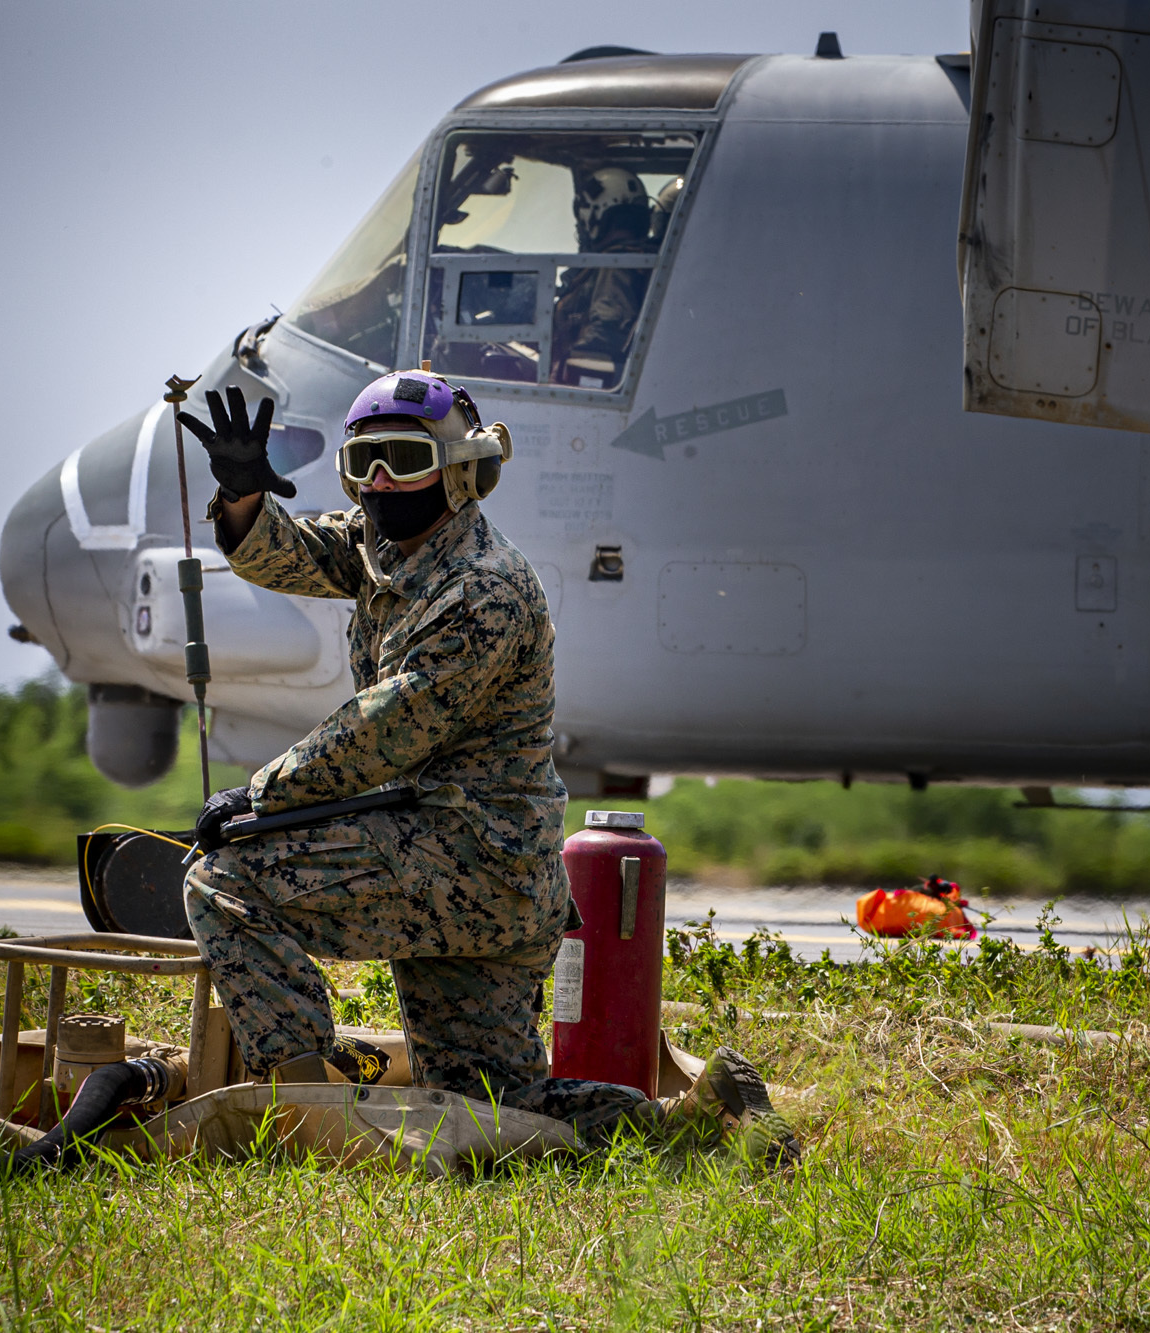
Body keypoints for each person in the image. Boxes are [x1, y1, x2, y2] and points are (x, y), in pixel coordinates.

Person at [174, 370, 796, 1165]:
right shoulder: (387, 548)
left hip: (467, 856)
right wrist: (241, 499)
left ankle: (311, 1122)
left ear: (462, 468)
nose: (380, 482)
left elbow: (383, 731)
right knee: (495, 1107)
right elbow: (290, 555)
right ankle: (710, 1123)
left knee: (227, 878)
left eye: (401, 458)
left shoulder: (486, 590)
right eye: (363, 461)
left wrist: (260, 795)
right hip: (481, 869)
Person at [550, 167, 659, 387]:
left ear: (596, 215)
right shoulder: (635, 262)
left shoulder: (615, 267)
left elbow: (604, 335)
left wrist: (557, 374)